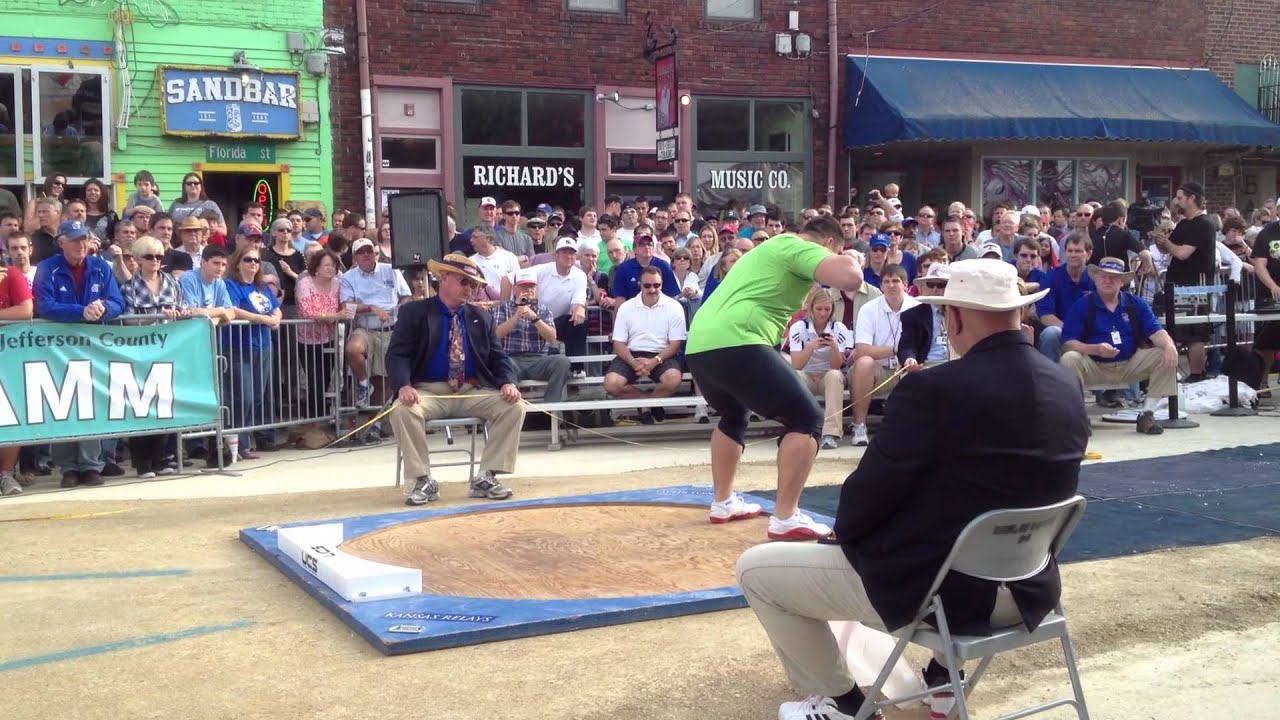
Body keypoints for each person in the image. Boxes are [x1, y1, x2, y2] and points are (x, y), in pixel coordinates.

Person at [737, 258, 1088, 720]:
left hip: (943, 598)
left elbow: (864, 500)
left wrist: (845, 539)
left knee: (756, 570)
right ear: (1018, 314)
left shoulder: (934, 389)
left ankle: (843, 704)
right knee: (971, 520)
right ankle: (944, 677)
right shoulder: (1067, 382)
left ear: (956, 317)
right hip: (1029, 589)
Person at [685, 215, 864, 541]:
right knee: (808, 418)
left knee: (733, 413)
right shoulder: (797, 245)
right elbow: (850, 277)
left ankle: (723, 502)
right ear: (827, 245)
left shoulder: (766, 251)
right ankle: (785, 517)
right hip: (737, 338)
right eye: (831, 252)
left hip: (700, 343)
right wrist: (847, 256)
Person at [386, 254, 525, 506]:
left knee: (514, 406)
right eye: (464, 281)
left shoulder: (480, 317)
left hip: (471, 389)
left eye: (473, 284)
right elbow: (398, 355)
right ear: (444, 278)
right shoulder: (413, 312)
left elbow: (497, 357)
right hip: (427, 392)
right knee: (403, 411)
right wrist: (403, 385)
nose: (470, 288)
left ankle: (487, 476)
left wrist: (508, 383)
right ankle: (422, 480)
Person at [32, 220, 125, 488]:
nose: (81, 245)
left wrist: (103, 308)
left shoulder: (100, 267)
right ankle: (68, 467)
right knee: (62, 404)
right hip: (58, 348)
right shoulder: (48, 268)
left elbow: (119, 303)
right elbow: (44, 305)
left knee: (90, 403)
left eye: (84, 239)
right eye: (75, 240)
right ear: (62, 242)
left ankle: (91, 464)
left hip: (93, 347)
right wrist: (80, 311)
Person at [1060, 257, 1180, 435]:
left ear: (1122, 282)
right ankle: (1078, 418)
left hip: (1130, 363)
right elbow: (1068, 342)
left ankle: (1146, 414)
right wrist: (1095, 349)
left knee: (1166, 354)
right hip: (1094, 366)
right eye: (1104, 276)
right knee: (1069, 358)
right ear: (1096, 278)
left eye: (1114, 277)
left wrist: (1170, 346)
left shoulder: (1135, 304)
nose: (1108, 281)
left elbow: (1156, 332)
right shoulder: (1083, 305)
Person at [120, 235, 191, 478]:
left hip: (168, 349)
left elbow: (183, 309)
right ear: (139, 259)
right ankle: (142, 463)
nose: (155, 261)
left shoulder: (172, 282)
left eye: (159, 256)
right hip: (140, 350)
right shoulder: (128, 287)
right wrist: (157, 317)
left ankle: (161, 459)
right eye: (150, 256)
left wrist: (178, 315)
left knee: (164, 404)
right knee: (141, 407)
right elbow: (127, 320)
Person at [224, 244, 283, 459]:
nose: (253, 264)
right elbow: (233, 309)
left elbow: (275, 308)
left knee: (258, 396)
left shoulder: (261, 286)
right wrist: (261, 319)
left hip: (264, 346)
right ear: (238, 263)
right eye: (248, 260)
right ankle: (235, 443)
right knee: (244, 397)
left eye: (256, 260)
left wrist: (276, 318)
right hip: (239, 347)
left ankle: (244, 443)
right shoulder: (231, 284)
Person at [786, 288, 852, 450]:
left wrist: (835, 347)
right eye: (819, 309)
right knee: (796, 376)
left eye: (827, 309)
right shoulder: (798, 328)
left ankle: (831, 433)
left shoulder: (839, 329)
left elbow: (836, 366)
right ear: (811, 309)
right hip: (806, 373)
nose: (823, 314)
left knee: (835, 376)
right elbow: (796, 365)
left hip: (826, 376)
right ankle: (800, 429)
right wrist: (810, 347)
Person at [492, 268, 571, 403]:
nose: (528, 291)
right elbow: (496, 335)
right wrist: (517, 315)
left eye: (531, 287)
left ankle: (551, 408)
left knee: (562, 362)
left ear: (536, 289)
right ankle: (513, 407)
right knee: (502, 364)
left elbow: (552, 338)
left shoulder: (543, 310)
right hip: (512, 359)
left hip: (538, 359)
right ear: (515, 289)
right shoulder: (502, 308)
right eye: (524, 287)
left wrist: (534, 317)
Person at [296, 249, 352, 424]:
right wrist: (335, 316)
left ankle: (325, 417)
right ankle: (314, 419)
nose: (331, 268)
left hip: (330, 337)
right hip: (307, 339)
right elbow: (307, 311)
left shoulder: (337, 283)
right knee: (315, 380)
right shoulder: (305, 283)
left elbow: (344, 306)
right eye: (326, 265)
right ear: (317, 267)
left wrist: (334, 315)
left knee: (327, 378)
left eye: (333, 265)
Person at [0, 245, 33, 496]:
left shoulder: (10, 274)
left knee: (10, 414)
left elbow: (25, 310)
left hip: (7, 356)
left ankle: (7, 474)